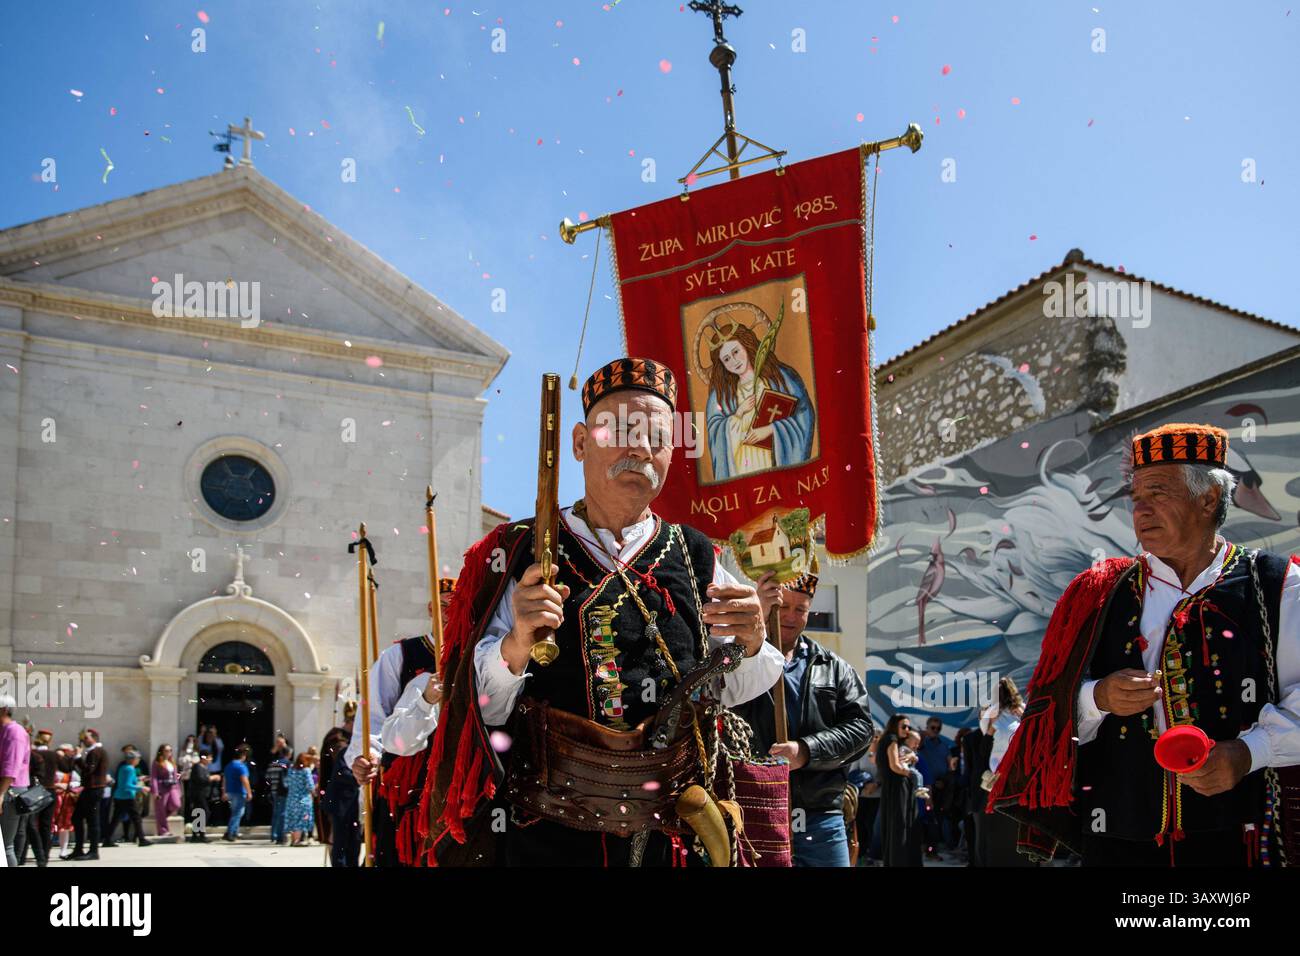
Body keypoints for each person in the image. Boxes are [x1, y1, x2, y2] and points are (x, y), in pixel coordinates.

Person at [426, 357, 782, 866]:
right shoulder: (518, 551)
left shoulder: (697, 555)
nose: (638, 448)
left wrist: (750, 643)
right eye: (618, 429)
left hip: (670, 836)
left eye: (656, 436)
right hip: (549, 835)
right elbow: (480, 711)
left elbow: (738, 687)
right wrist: (517, 645)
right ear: (577, 443)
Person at [989, 422, 1300, 865]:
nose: (1141, 510)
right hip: (1118, 836)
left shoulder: (1277, 585)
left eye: (1158, 493)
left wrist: (1250, 752)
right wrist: (1098, 697)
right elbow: (1046, 710)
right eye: (1136, 499)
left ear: (1209, 498)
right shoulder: (1099, 593)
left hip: (1240, 836)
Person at [735, 572, 873, 866]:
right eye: (783, 606)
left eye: (800, 609)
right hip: (754, 815)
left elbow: (861, 731)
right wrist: (751, 632)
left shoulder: (834, 668)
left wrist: (806, 751)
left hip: (821, 818)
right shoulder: (739, 660)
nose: (790, 616)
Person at [346, 579, 455, 866]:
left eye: (457, 606)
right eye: (443, 605)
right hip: (407, 780)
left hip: (454, 779)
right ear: (432, 609)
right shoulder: (401, 655)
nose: (449, 613)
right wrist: (365, 754)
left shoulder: (474, 654)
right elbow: (373, 715)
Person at [701, 306, 815, 480]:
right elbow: (716, 434)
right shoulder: (720, 396)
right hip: (741, 468)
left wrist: (770, 430)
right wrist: (738, 414)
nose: (734, 361)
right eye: (726, 359)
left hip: (772, 462)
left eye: (735, 351)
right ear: (722, 365)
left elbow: (803, 414)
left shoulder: (780, 378)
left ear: (746, 346)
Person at [978, 677, 1032, 866]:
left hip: (1015, 772)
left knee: (1012, 820)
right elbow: (984, 741)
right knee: (1003, 822)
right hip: (1000, 773)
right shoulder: (993, 714)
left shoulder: (1021, 711)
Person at [877, 713, 922, 866]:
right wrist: (912, 774)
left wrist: (911, 758)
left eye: (908, 727)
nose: (907, 729)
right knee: (900, 826)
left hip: (892, 787)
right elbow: (895, 766)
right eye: (903, 726)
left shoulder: (888, 740)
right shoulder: (891, 739)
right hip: (898, 786)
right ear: (894, 725)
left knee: (895, 826)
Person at [322, 702, 360, 866]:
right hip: (339, 800)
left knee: (353, 842)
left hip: (352, 800)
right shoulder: (338, 740)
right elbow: (342, 763)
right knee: (341, 843)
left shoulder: (350, 740)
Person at [15, 728, 57, 866]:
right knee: (28, 827)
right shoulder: (33, 754)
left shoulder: (35, 756)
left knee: (29, 827)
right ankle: (30, 857)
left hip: (31, 794)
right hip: (33, 792)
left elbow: (39, 775)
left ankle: (40, 858)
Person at [0, 694, 31, 867]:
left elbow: (10, 766)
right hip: (5, 790)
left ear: (4, 710)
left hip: (9, 791)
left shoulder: (14, 731)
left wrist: (1, 794)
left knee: (5, 845)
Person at [70, 727, 108, 860]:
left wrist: (79, 757)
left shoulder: (95, 752)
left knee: (92, 821)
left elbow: (87, 771)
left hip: (94, 789)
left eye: (86, 738)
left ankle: (93, 851)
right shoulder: (93, 752)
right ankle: (79, 849)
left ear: (94, 738)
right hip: (89, 789)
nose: (83, 740)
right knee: (76, 818)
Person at [105, 749, 151, 847]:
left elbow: (125, 781)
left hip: (120, 796)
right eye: (137, 758)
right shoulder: (130, 769)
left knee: (116, 819)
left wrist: (139, 779)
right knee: (136, 818)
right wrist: (141, 787)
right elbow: (127, 785)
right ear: (133, 759)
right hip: (127, 796)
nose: (138, 760)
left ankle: (107, 839)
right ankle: (141, 839)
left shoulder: (124, 767)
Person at [285, 750, 317, 846]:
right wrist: (314, 794)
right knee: (301, 819)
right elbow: (310, 785)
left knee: (293, 818)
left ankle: (292, 839)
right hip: (303, 799)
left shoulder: (291, 770)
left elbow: (287, 783)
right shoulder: (306, 771)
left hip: (291, 798)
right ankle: (296, 841)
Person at [221, 744, 252, 841]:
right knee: (237, 813)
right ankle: (230, 833)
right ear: (243, 755)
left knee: (235, 813)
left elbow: (224, 779)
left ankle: (234, 832)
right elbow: (244, 779)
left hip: (230, 791)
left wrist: (224, 792)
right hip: (239, 792)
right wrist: (249, 792)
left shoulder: (229, 765)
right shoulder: (241, 766)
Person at [53, 745, 79, 859]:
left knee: (64, 826)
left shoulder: (69, 770)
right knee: (49, 825)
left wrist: (68, 785)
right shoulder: (49, 768)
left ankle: (63, 851)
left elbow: (78, 781)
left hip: (64, 799)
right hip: (51, 798)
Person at [150, 744, 182, 837]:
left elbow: (175, 777)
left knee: (176, 804)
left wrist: (178, 790)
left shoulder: (172, 762)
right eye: (167, 750)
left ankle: (161, 819)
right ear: (162, 751)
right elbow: (154, 777)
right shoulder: (157, 763)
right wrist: (155, 791)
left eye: (170, 750)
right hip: (162, 788)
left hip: (172, 787)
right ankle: (163, 830)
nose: (169, 752)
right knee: (161, 809)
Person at [265, 744, 291, 845]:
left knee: (275, 813)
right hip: (284, 791)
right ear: (288, 754)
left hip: (274, 791)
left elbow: (267, 777)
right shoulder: (288, 764)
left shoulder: (273, 763)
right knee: (282, 813)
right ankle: (280, 836)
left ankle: (273, 835)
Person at [185, 753, 212, 842]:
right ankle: (200, 833)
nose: (210, 760)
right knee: (204, 812)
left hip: (202, 794)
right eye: (209, 757)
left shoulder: (204, 768)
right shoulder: (197, 767)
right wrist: (212, 778)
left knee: (199, 813)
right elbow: (201, 780)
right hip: (198, 794)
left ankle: (197, 834)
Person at [177, 734, 200, 824]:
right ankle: (187, 819)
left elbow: (196, 761)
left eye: (193, 741)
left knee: (195, 799)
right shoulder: (183, 752)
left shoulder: (197, 751)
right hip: (186, 777)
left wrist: (191, 759)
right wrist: (187, 757)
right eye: (188, 740)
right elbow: (180, 762)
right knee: (187, 799)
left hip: (195, 777)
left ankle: (195, 819)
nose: (190, 743)